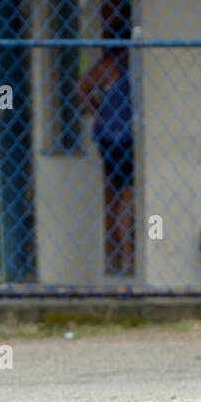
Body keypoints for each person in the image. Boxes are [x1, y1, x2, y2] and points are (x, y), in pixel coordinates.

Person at [77, 49, 134, 275]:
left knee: (129, 193)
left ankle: (127, 255)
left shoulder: (132, 65)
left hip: (127, 135)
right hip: (116, 138)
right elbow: (81, 88)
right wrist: (98, 113)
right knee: (128, 193)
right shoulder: (111, 65)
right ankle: (127, 256)